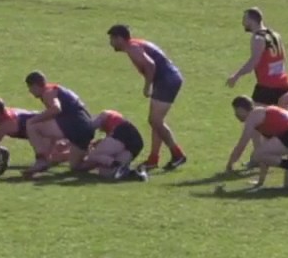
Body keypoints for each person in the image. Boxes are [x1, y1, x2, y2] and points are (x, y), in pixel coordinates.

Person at [107, 25, 187, 170]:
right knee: (155, 121)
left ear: (119, 38)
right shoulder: (135, 44)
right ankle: (153, 158)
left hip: (166, 80)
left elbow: (150, 65)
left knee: (155, 120)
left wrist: (147, 86)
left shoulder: (132, 48)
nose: (110, 43)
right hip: (167, 79)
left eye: (112, 39)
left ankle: (177, 154)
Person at [226, 97, 288, 188]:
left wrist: (229, 165)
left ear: (241, 109)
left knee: (258, 154)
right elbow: (264, 157)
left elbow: (242, 145)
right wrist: (260, 182)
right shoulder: (264, 118)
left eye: (236, 111)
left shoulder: (253, 116)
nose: (236, 115)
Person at [22, 72, 96, 177]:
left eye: (30, 87)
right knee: (75, 166)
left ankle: (41, 160)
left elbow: (56, 108)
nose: (30, 91)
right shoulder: (57, 89)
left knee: (32, 125)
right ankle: (100, 160)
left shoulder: (48, 92)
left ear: (35, 86)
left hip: (76, 125)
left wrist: (33, 119)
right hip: (86, 128)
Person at [226, 7, 288, 106]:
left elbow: (253, 62)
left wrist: (236, 76)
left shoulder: (258, 38)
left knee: (256, 117)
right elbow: (283, 57)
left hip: (267, 86)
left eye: (244, 19)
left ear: (251, 20)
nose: (243, 23)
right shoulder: (276, 35)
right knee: (284, 119)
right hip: (283, 84)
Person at [77, 110, 149, 181]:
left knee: (93, 155)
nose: (100, 130)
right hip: (135, 145)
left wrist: (81, 143)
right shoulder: (114, 126)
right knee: (106, 173)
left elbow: (90, 128)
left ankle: (113, 162)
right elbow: (110, 143)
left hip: (123, 133)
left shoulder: (105, 114)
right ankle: (136, 172)